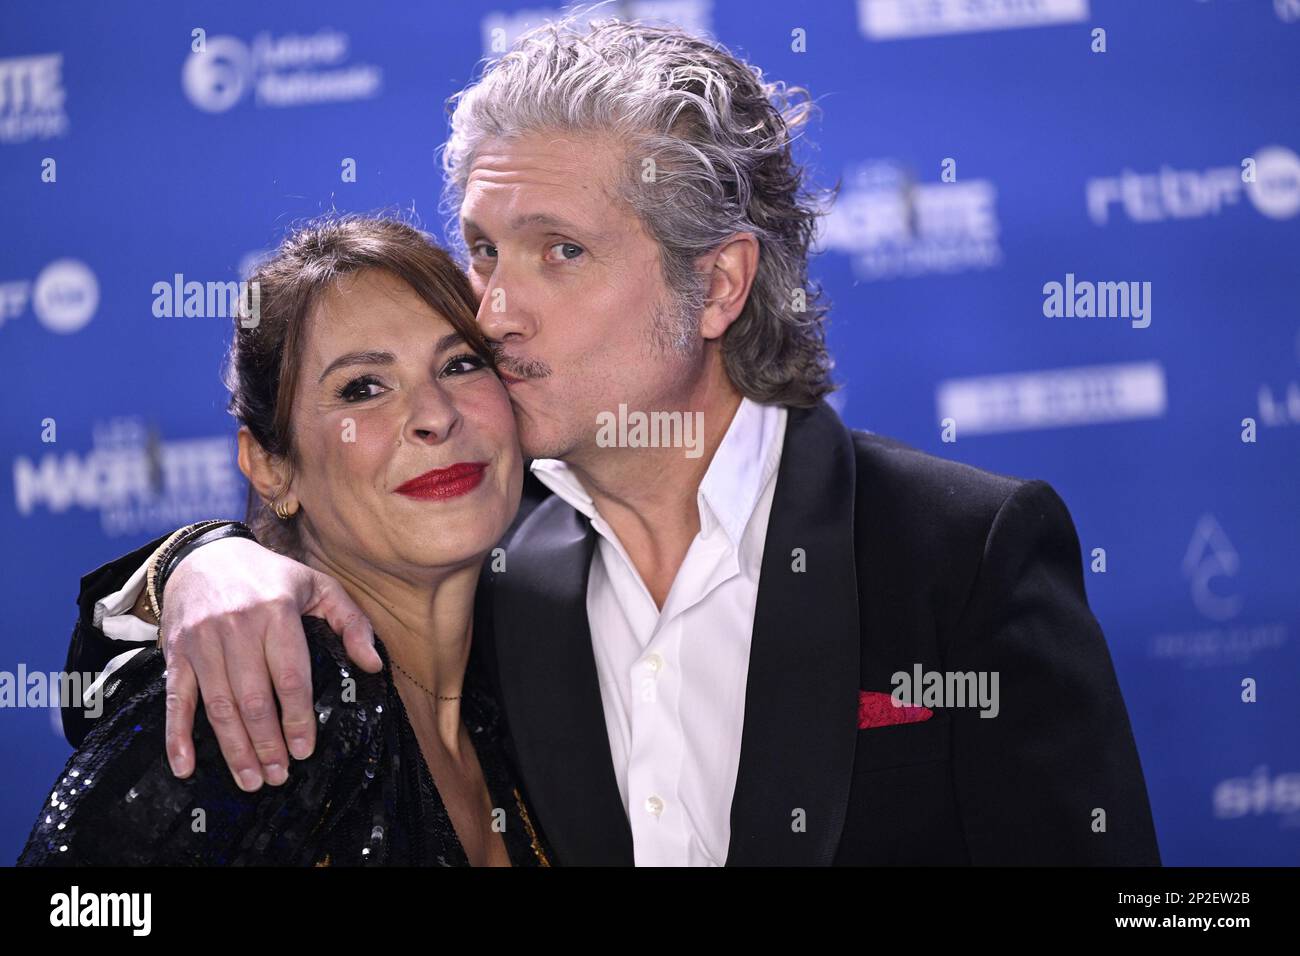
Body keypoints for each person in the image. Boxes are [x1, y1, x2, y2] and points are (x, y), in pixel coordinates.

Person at [56, 16, 1160, 865]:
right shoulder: (474, 566)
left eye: (560, 253)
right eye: (484, 249)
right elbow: (134, 700)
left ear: (717, 282)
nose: (491, 311)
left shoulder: (957, 553)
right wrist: (203, 560)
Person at [21, 216, 551, 866]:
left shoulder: (530, 691)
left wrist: (184, 558)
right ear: (274, 468)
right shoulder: (260, 703)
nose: (436, 416)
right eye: (365, 388)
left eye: (461, 364)